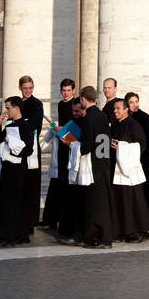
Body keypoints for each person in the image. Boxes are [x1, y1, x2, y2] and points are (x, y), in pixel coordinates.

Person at [0, 96, 35, 246]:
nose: (6, 111)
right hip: (7, 167)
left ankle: (11, 236)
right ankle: (5, 233)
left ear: (17, 108)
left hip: (18, 170)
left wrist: (12, 142)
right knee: (5, 201)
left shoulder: (25, 126)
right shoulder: (8, 125)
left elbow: (28, 148)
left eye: (8, 108)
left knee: (13, 202)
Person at [110, 97, 149, 242]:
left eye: (118, 108)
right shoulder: (115, 124)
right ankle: (122, 230)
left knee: (133, 201)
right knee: (120, 200)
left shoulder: (134, 125)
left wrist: (121, 146)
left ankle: (137, 230)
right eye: (114, 108)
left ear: (126, 109)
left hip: (130, 169)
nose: (115, 111)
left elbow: (142, 144)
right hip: (118, 169)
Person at [78, 86, 114, 248]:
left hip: (93, 164)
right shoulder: (102, 115)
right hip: (104, 161)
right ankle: (99, 236)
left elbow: (86, 145)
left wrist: (72, 144)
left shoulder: (87, 118)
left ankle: (100, 237)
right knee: (102, 202)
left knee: (94, 203)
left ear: (83, 99)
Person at [43, 77, 77, 228]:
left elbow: (75, 128)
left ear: (74, 91)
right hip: (61, 145)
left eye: (68, 90)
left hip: (71, 143)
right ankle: (52, 217)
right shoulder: (60, 104)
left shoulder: (75, 105)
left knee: (66, 181)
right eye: (63, 90)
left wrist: (61, 132)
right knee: (57, 180)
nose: (66, 93)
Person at [56, 97, 86, 244]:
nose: (74, 113)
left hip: (82, 166)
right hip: (70, 164)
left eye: (77, 111)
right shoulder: (73, 122)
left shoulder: (87, 122)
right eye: (73, 111)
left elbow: (84, 144)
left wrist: (70, 143)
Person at [18, 75, 44, 239]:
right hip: (18, 148)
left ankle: (31, 221)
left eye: (30, 88)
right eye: (25, 88)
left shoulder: (37, 104)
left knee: (32, 184)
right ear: (20, 88)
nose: (28, 91)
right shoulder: (18, 103)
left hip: (31, 147)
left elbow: (35, 124)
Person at [125, 92, 149, 193]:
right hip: (128, 158)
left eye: (136, 101)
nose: (135, 104)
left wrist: (140, 156)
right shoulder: (125, 117)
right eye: (131, 102)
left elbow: (147, 140)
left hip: (142, 157)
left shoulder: (145, 117)